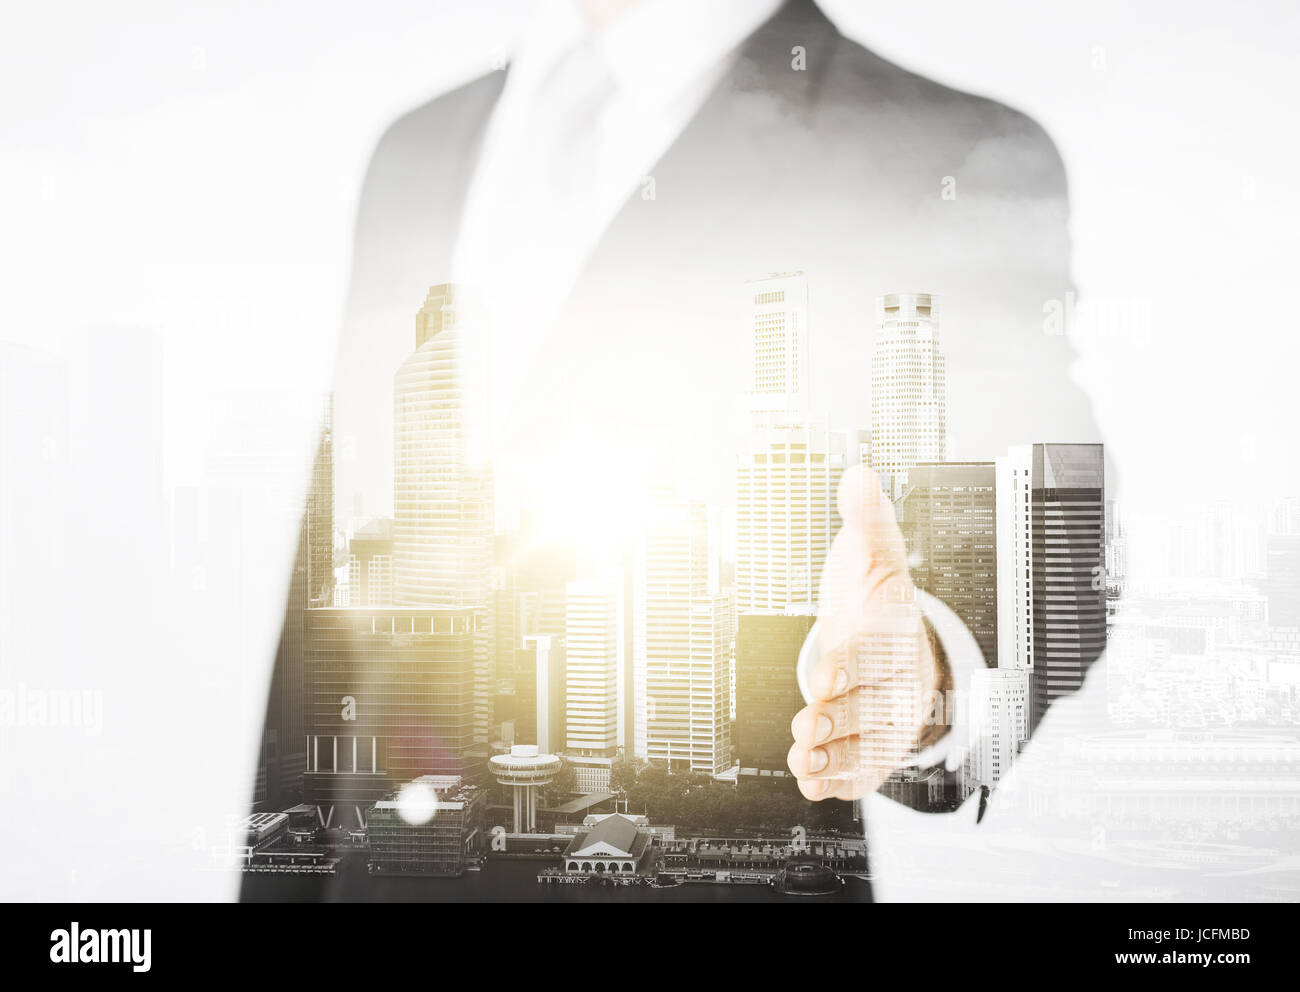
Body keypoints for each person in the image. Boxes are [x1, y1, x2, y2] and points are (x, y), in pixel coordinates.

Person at [245, 0, 1105, 900]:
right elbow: (330, 594)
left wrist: (924, 672)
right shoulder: (413, 153)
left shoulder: (935, 151)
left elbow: (1052, 507)